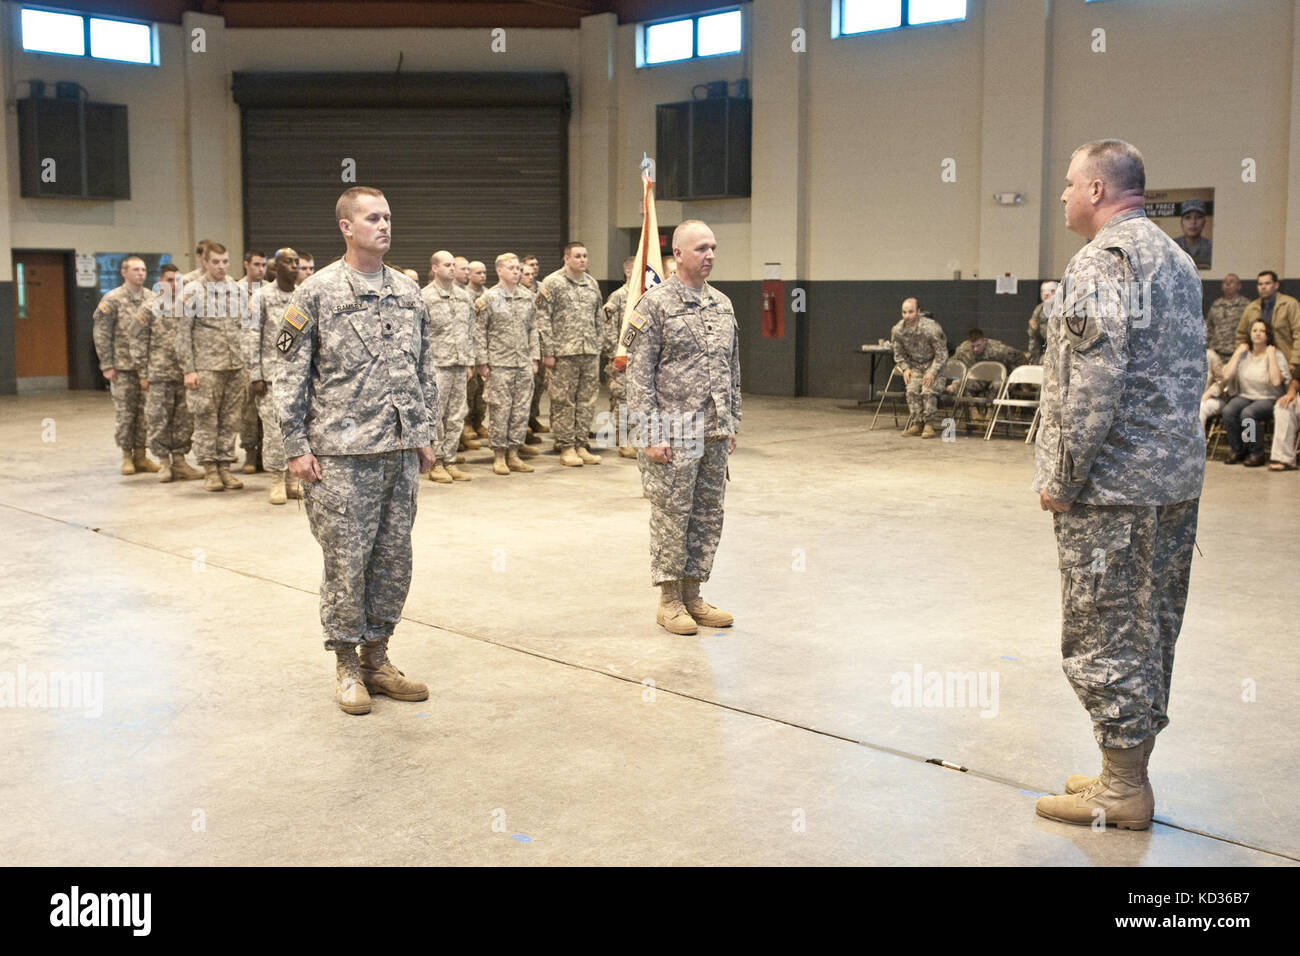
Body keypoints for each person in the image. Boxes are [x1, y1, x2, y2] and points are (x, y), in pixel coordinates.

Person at [1033, 139, 1205, 831]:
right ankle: (1123, 771)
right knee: (1152, 625)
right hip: (1172, 483)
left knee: (1105, 632)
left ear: (1098, 190)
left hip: (1112, 491)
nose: (1064, 195)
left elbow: (1091, 387)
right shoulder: (1177, 259)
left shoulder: (1101, 261)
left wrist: (1062, 476)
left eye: (1069, 183)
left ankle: (1124, 790)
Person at [274, 186, 436, 715]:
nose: (384, 225)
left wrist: (424, 433)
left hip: (398, 450)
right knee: (347, 563)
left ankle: (377, 659)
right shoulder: (316, 292)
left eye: (387, 217)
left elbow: (424, 368)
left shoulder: (409, 292)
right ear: (346, 226)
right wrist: (296, 447)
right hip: (340, 457)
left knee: (393, 560)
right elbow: (289, 374)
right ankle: (346, 664)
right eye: (372, 218)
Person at [624, 219, 740, 636]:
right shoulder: (654, 304)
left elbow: (732, 368)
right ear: (677, 254)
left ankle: (693, 594)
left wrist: (731, 420)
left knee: (707, 515)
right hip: (674, 432)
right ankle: (669, 601)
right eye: (701, 249)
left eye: (713, 248)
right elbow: (638, 375)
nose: (710, 255)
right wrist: (649, 434)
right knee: (673, 516)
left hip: (713, 430)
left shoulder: (722, 304)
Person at [178, 242, 247, 492]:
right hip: (206, 367)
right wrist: (189, 369)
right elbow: (182, 333)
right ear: (205, 262)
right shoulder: (192, 291)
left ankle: (225, 467)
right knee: (206, 418)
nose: (221, 266)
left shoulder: (237, 289)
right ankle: (210, 470)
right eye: (215, 262)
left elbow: (246, 328)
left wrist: (248, 363)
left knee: (231, 419)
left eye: (225, 261)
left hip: (235, 365)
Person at [129, 263, 203, 482]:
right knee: (158, 419)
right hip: (159, 373)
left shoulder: (187, 306)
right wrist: (142, 372)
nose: (175, 284)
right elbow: (136, 339)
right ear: (160, 282)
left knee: (184, 420)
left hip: (184, 372)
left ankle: (180, 461)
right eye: (170, 280)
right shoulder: (150, 307)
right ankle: (163, 463)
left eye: (178, 280)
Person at [243, 247, 303, 504]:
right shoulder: (262, 297)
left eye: (296, 262)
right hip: (269, 376)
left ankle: (292, 479)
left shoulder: (302, 296)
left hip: (298, 376)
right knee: (273, 431)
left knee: (296, 429)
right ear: (275, 268)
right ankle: (277, 479)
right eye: (288, 262)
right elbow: (251, 335)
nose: (294, 266)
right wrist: (255, 374)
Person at [536, 243, 604, 467]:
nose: (582, 260)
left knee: (587, 400)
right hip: (563, 353)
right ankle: (566, 446)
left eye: (585, 256)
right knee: (563, 400)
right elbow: (543, 319)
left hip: (589, 351)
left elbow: (598, 317)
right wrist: (548, 351)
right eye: (577, 256)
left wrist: (598, 345)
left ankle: (581, 444)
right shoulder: (552, 283)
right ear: (566, 259)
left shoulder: (591, 283)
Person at [474, 254, 540, 476]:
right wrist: (482, 362)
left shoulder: (527, 297)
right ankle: (499, 455)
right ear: (499, 270)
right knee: (500, 411)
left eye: (518, 268)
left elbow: (533, 329)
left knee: (520, 410)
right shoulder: (490, 298)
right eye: (511, 268)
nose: (516, 272)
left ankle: (514, 453)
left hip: (523, 363)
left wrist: (534, 358)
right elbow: (479, 331)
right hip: (499, 364)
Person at [92, 255, 158, 475]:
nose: (141, 273)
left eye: (143, 270)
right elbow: (101, 332)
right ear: (124, 272)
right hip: (123, 365)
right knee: (125, 413)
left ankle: (141, 455)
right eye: (136, 270)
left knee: (145, 413)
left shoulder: (151, 298)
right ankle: (126, 456)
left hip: (146, 367)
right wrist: (107, 364)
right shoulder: (113, 299)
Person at [421, 250, 477, 483]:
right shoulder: (424, 297)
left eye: (454, 264)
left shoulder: (464, 296)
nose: (452, 268)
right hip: (437, 365)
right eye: (447, 265)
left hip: (459, 364)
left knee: (456, 415)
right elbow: (419, 335)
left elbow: (470, 331)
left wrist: (469, 362)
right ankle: (436, 463)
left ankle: (451, 460)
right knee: (436, 415)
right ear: (435, 268)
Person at [1219, 320, 1290, 466]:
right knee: (1228, 411)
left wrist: (1271, 356)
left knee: (1248, 414)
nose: (1258, 334)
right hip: (1246, 395)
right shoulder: (1244, 354)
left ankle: (1256, 453)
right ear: (1250, 334)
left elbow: (1276, 381)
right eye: (1254, 330)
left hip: (1269, 398)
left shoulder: (1276, 354)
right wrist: (1237, 353)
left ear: (1267, 335)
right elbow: (1226, 376)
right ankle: (1237, 450)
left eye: (1262, 331)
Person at [890, 298, 947, 437]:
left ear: (918, 311)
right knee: (911, 391)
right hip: (915, 366)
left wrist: (932, 372)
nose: (907, 316)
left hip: (934, 365)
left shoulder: (931, 328)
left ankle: (929, 425)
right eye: (904, 312)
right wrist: (905, 368)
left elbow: (942, 354)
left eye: (911, 312)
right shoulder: (898, 330)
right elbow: (898, 353)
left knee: (928, 390)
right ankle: (917, 424)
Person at [237, 249, 269, 474]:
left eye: (264, 265)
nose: (261, 269)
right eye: (256, 264)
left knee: (265, 410)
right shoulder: (234, 291)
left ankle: (264, 454)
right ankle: (249, 453)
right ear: (246, 265)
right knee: (247, 411)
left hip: (264, 358)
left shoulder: (270, 291)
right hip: (241, 358)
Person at [602, 255, 637, 458]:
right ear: (628, 271)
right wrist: (614, 355)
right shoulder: (617, 297)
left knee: (632, 400)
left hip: (638, 359)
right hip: (620, 358)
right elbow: (608, 329)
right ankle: (624, 442)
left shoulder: (644, 297)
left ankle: (624, 437)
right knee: (623, 399)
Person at [1233, 271, 1298, 370]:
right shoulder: (1251, 308)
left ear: (1276, 285)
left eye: (1267, 283)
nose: (1263, 287)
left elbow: (1298, 333)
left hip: (1286, 361)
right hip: (1258, 362)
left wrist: (1295, 362)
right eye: (1260, 284)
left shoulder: (1289, 304)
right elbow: (1241, 335)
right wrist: (1242, 358)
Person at [464, 260, 491, 441]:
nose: (482, 276)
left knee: (483, 389)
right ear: (469, 275)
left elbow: (500, 320)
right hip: (469, 347)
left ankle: (479, 421)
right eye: (478, 273)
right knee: (470, 387)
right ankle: (466, 423)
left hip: (486, 348)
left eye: (484, 272)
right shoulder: (464, 295)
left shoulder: (491, 295)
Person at [1205, 273, 1249, 362]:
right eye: (1225, 282)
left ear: (1239, 286)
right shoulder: (1216, 305)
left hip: (1238, 354)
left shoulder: (1246, 305)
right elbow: (1209, 328)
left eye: (1232, 282)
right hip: (1216, 353)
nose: (1228, 284)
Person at [1172, 198, 1212, 269]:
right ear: (1181, 223)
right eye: (1188, 217)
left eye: (1199, 217)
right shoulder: (1173, 246)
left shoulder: (1210, 246)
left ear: (1204, 222)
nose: (1193, 222)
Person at [1027, 281, 1058, 363]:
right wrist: (1033, 362)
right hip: (1046, 353)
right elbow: (1034, 339)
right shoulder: (1039, 310)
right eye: (1043, 291)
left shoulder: (1066, 310)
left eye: (1051, 291)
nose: (1046, 294)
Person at [1199, 348, 1225, 436]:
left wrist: (1208, 394)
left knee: (1199, 408)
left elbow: (1221, 380)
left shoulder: (1210, 355)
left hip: (1211, 398)